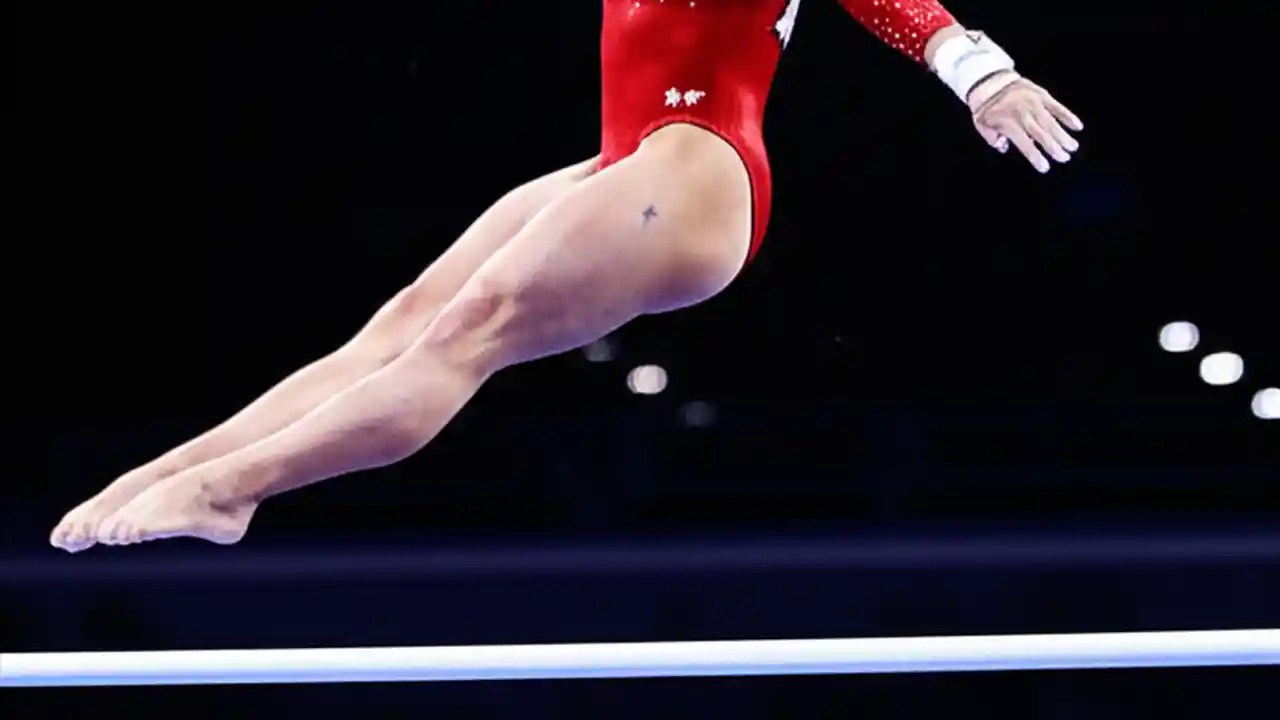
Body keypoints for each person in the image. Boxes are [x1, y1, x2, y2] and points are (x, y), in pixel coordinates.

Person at [51, 0, 1082, 552]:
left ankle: (233, 492)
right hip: (623, 158)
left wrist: (975, 71)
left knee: (471, 328)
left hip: (694, 165)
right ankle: (165, 475)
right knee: (399, 326)